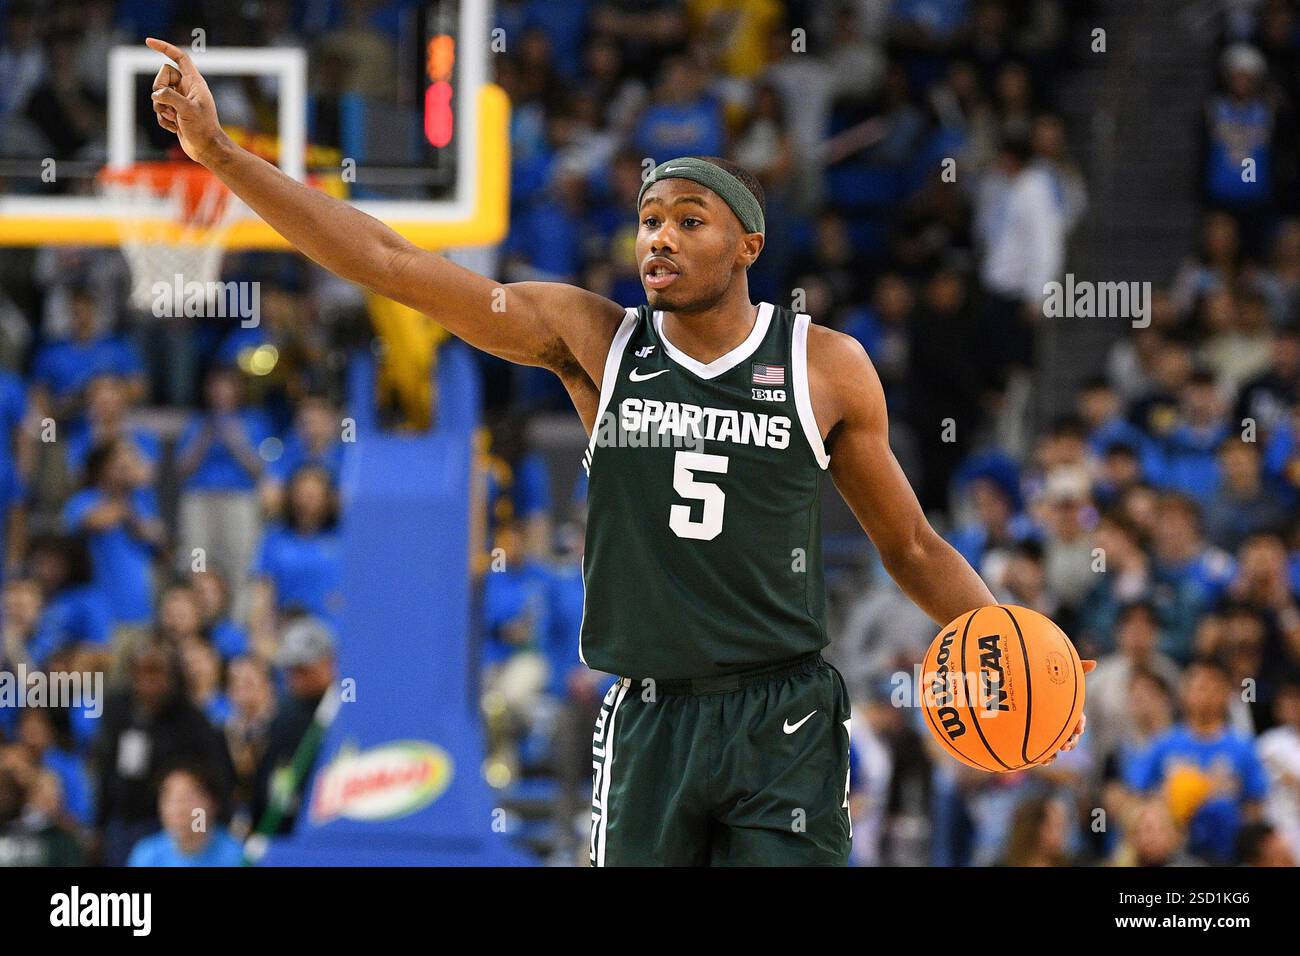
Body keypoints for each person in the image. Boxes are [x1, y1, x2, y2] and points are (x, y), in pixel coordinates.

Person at [144, 38, 1091, 867]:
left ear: (748, 243)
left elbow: (913, 548)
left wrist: (1024, 651)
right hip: (646, 716)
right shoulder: (591, 339)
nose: (659, 238)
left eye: (689, 220)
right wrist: (223, 154)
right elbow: (392, 262)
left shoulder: (825, 365)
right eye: (648, 221)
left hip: (784, 714)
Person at [1125, 657, 1269, 864]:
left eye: (1213, 687)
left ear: (1226, 693)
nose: (1206, 695)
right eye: (1199, 687)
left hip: (1230, 854)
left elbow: (1256, 805)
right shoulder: (1164, 743)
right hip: (1174, 855)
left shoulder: (1242, 747)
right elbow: (1135, 795)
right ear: (1185, 693)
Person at [127, 765, 244, 867]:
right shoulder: (146, 854)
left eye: (189, 798)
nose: (179, 809)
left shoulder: (238, 856)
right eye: (171, 799)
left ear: (212, 803)